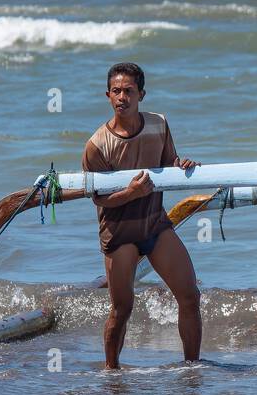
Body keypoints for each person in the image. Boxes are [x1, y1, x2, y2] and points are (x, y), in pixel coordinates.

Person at [82, 62, 201, 368]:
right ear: (107, 95)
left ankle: (192, 369)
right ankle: (112, 372)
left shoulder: (158, 125)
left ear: (142, 95)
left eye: (129, 91)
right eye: (117, 91)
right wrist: (131, 194)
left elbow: (168, 161)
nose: (123, 97)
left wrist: (181, 163)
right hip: (119, 233)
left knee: (190, 297)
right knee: (122, 309)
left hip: (154, 225)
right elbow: (100, 200)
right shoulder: (97, 145)